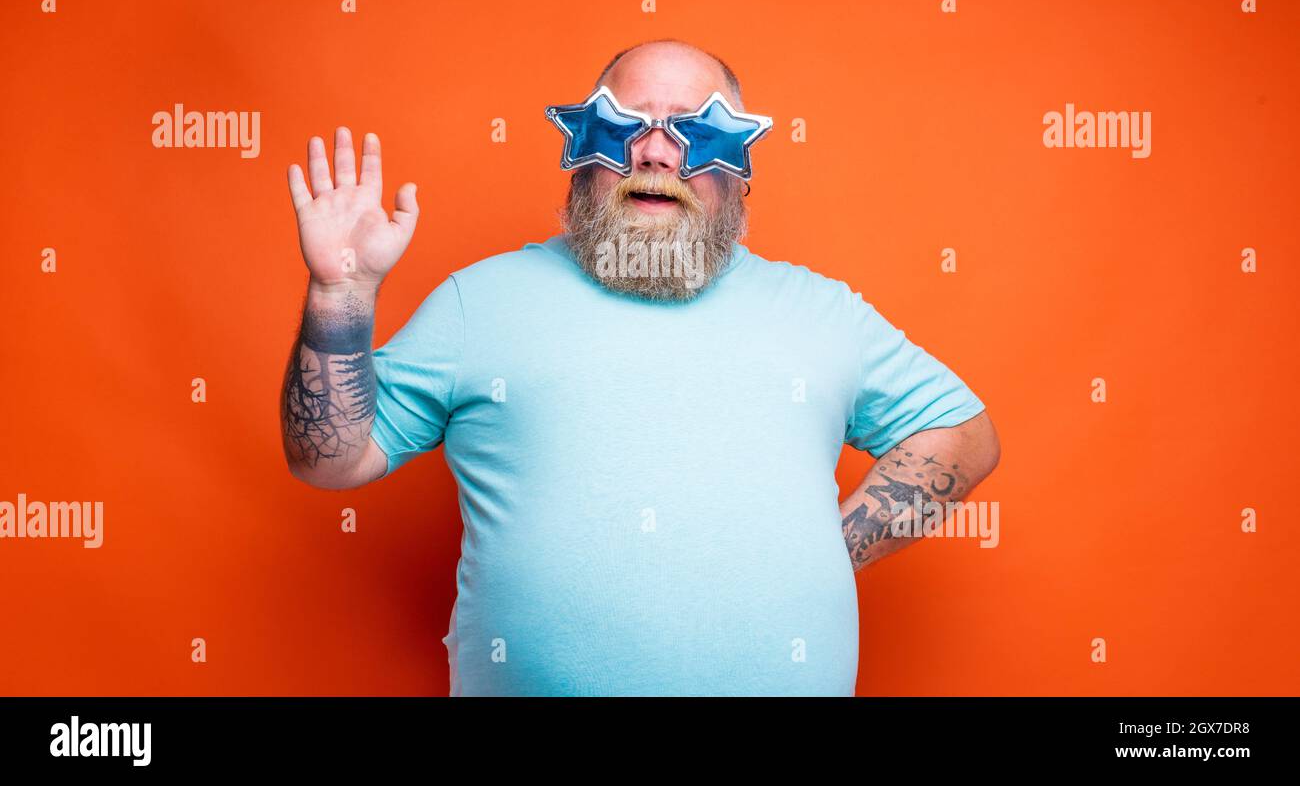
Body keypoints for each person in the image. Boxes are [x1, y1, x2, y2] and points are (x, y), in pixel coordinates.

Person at [279, 38, 1001, 696]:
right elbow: (330, 459)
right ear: (583, 155)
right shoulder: (481, 302)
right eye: (624, 126)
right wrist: (339, 295)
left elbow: (963, 433)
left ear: (740, 172)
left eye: (696, 130)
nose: (656, 154)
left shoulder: (822, 313)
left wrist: (828, 550)